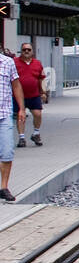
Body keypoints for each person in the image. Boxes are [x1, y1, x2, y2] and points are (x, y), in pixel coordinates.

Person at [0, 43, 25, 201]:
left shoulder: (8, 63)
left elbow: (16, 85)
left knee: (7, 152)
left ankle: (3, 187)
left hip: (4, 114)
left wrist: (21, 108)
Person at [14, 43, 43, 147]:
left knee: (38, 114)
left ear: (32, 51)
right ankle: (21, 138)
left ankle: (36, 133)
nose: (26, 51)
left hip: (34, 94)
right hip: (18, 96)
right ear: (21, 51)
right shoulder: (14, 62)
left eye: (29, 50)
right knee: (20, 116)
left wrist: (43, 92)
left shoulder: (37, 63)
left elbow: (41, 78)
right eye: (24, 49)